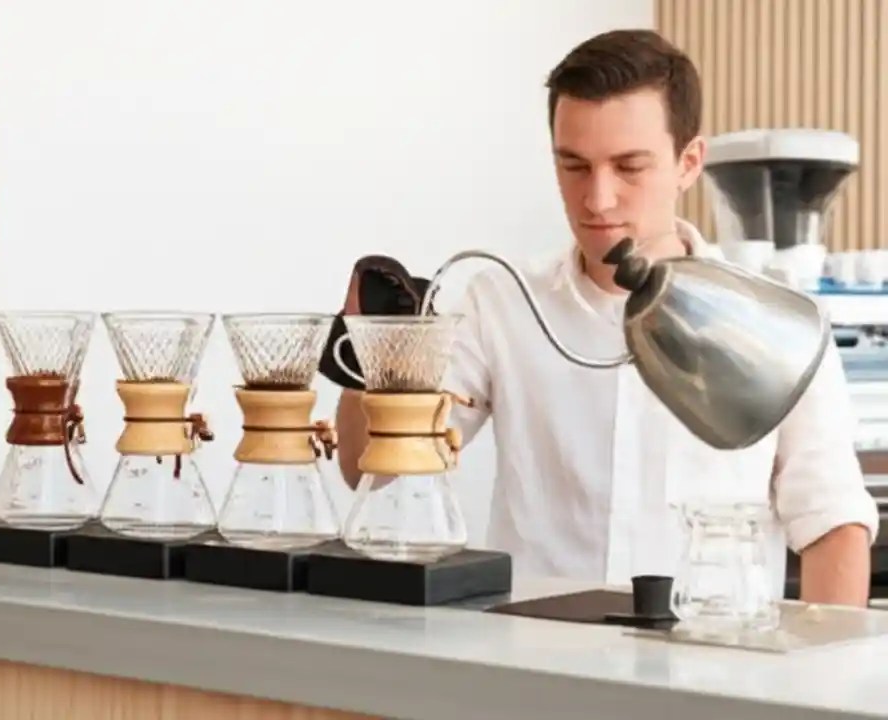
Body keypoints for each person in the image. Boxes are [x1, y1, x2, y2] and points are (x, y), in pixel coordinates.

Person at [333, 29, 879, 606]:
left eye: (629, 167)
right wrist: (373, 354)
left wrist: (823, 681)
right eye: (574, 166)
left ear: (688, 162)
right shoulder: (499, 301)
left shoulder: (776, 325)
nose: (597, 199)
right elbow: (373, 468)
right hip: (529, 660)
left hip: (712, 666)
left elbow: (832, 522)